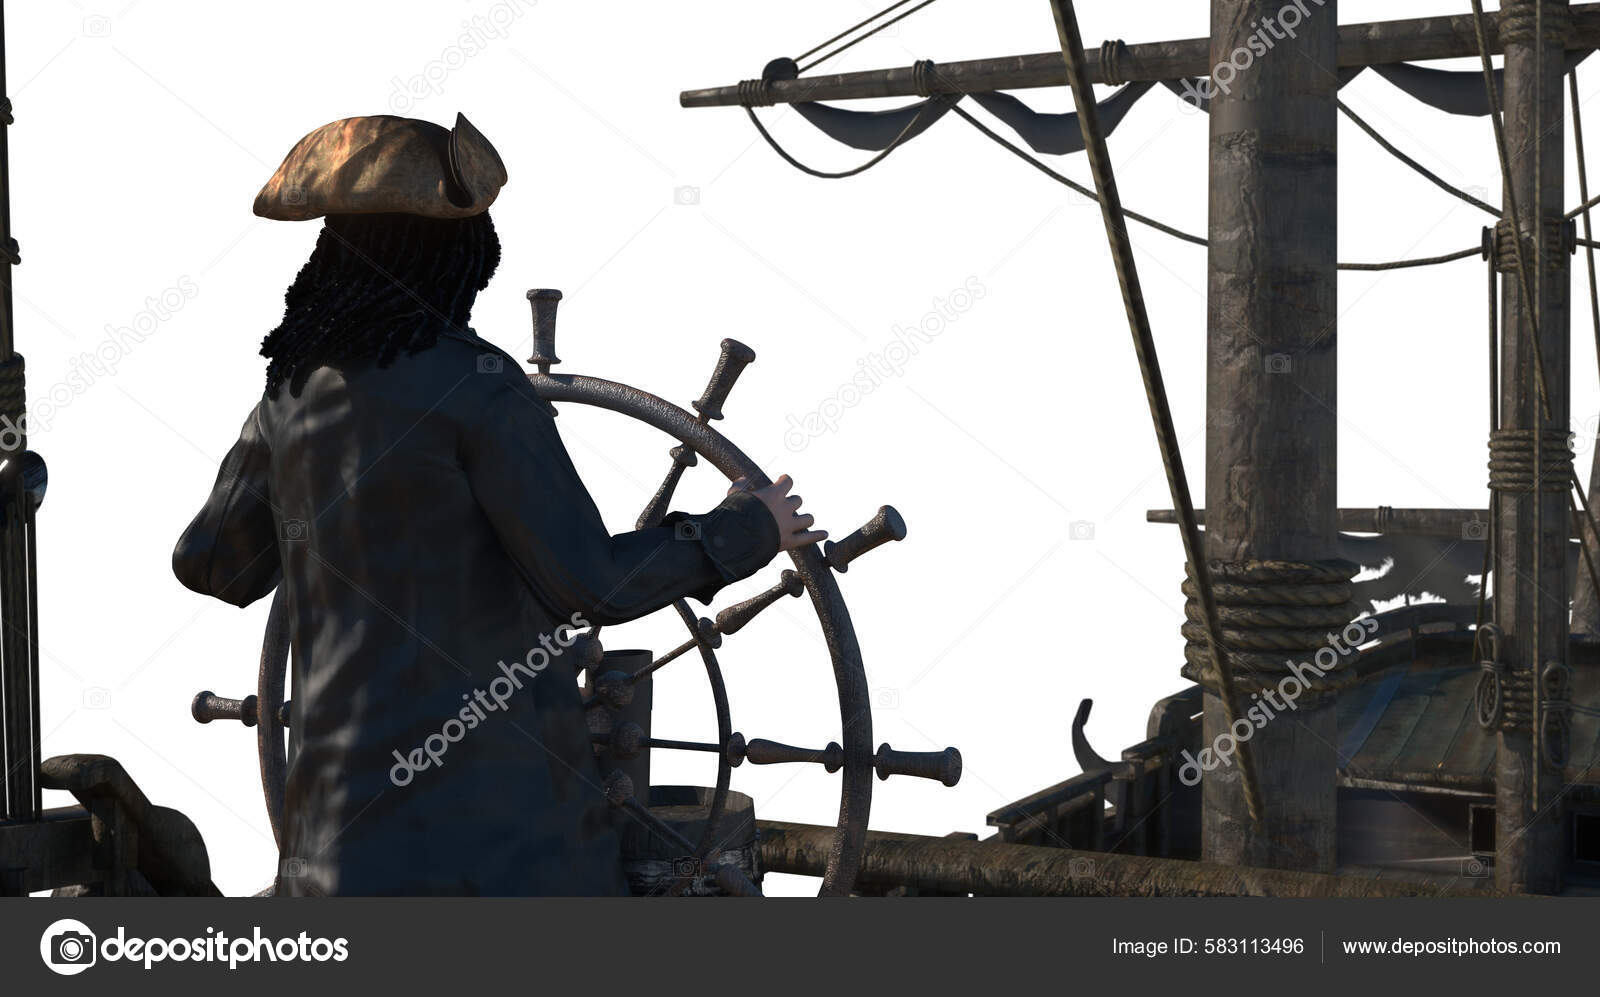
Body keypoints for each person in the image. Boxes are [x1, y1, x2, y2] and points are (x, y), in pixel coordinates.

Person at [172, 114, 822, 895]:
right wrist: (748, 527)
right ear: (456, 256)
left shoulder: (286, 398)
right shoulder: (477, 388)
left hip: (336, 867)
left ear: (334, 255)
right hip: (509, 868)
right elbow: (594, 583)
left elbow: (213, 564)